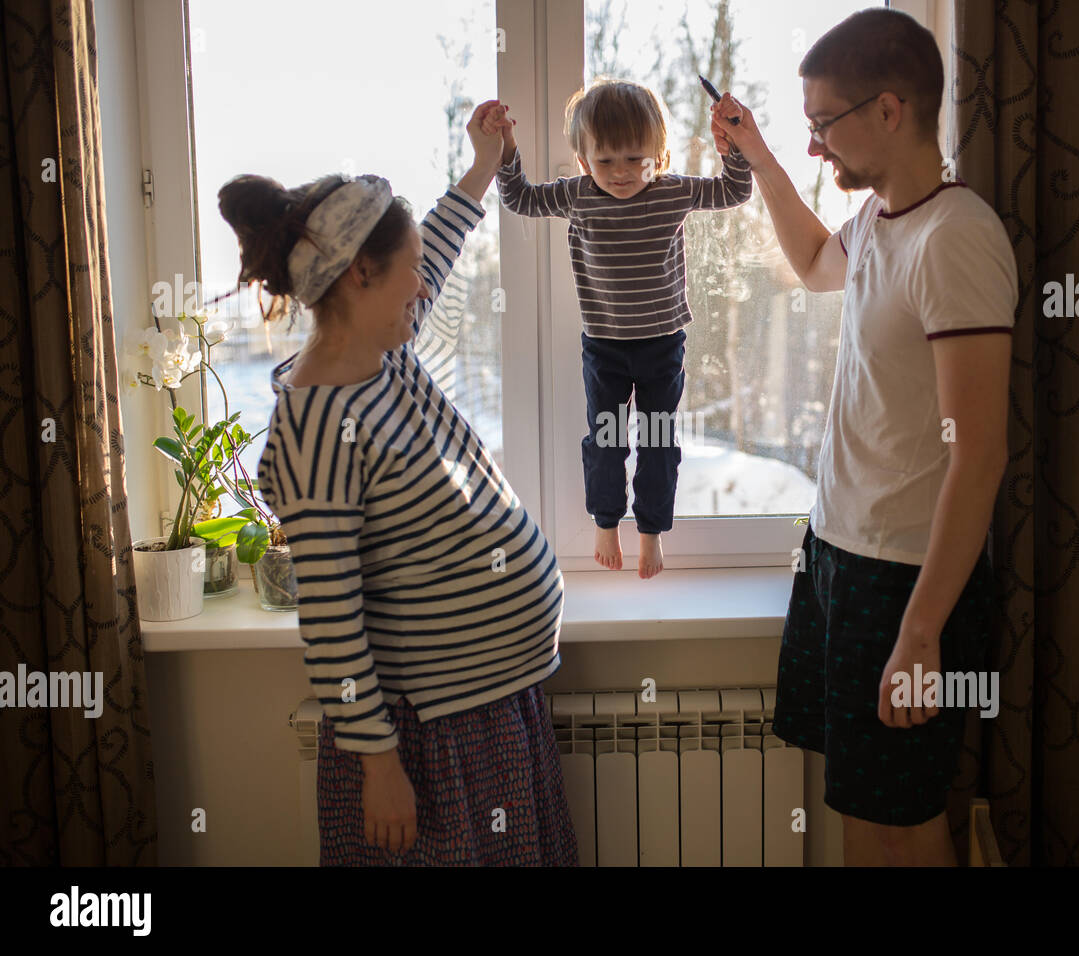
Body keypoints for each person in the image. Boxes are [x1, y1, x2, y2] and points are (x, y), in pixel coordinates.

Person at [220, 100, 578, 866]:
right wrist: (380, 766)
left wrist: (484, 164)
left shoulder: (388, 351)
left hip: (484, 702)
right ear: (359, 275)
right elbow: (330, 617)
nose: (425, 288)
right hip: (431, 736)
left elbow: (435, 249)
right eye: (409, 273)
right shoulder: (317, 425)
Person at [711, 9, 1015, 866]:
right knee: (860, 805)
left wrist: (920, 632)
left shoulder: (954, 239)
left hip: (906, 581)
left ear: (889, 110)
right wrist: (761, 155)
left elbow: (980, 452)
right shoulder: (884, 220)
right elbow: (812, 265)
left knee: (906, 819)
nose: (817, 149)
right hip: (842, 554)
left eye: (823, 126)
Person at [481, 80, 753, 579]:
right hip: (604, 346)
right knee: (605, 440)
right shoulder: (577, 196)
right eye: (605, 162)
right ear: (584, 160)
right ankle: (606, 522)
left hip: (662, 344)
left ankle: (651, 533)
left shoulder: (672, 192)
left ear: (660, 155)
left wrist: (732, 144)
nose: (622, 174)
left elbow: (735, 190)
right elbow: (518, 198)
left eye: (635, 159)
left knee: (658, 441)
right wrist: (506, 147)